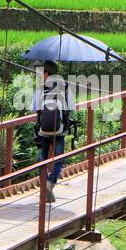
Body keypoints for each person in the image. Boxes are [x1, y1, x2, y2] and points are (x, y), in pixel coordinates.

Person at [32, 61, 75, 203]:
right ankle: (51, 183)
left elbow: (35, 109)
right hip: (60, 130)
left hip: (42, 131)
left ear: (46, 73)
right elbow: (71, 107)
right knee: (58, 160)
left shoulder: (40, 88)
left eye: (40, 73)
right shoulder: (65, 86)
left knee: (42, 160)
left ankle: (44, 186)